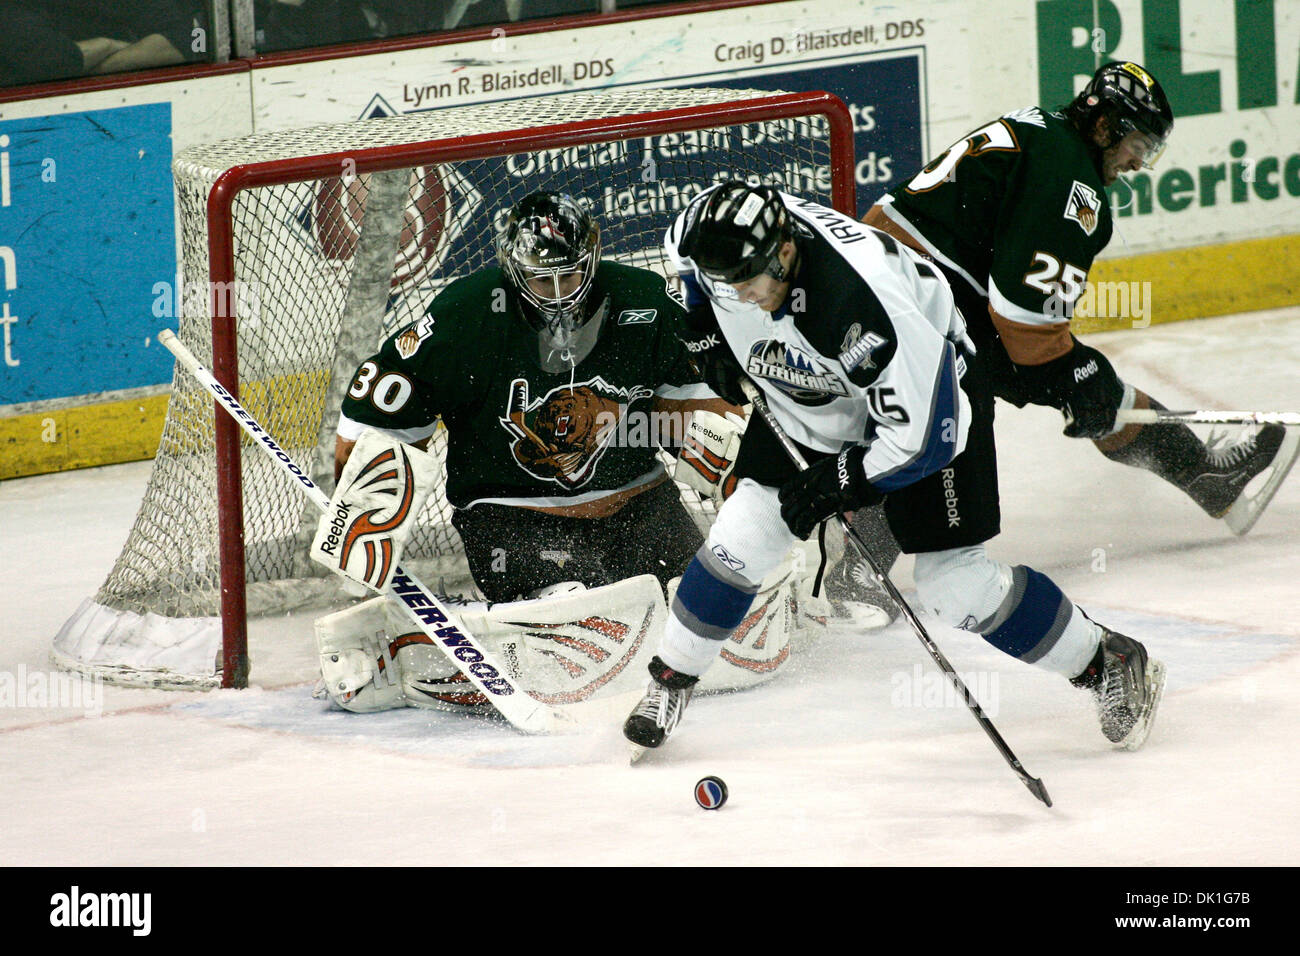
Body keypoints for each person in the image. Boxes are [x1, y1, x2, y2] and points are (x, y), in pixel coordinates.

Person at [622, 181, 1165, 752]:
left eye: (751, 281)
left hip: (934, 400)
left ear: (784, 251)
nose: (744, 294)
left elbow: (926, 438)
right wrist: (707, 334)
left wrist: (838, 483)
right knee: (745, 531)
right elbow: (683, 263)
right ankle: (671, 680)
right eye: (729, 284)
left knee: (954, 586)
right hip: (809, 393)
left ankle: (1107, 661)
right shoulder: (705, 233)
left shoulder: (861, 303)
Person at [861, 60, 1296, 540]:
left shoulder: (1041, 128)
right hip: (923, 303)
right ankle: (860, 567)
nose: (1137, 164)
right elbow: (1026, 326)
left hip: (886, 278)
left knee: (1082, 384)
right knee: (948, 422)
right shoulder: (1072, 181)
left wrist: (1077, 381)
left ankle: (1205, 477)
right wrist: (1075, 377)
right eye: (1138, 146)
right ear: (1106, 125)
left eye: (1148, 151)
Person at [334, 190, 733, 603]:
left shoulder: (645, 300)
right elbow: (382, 406)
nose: (560, 294)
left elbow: (706, 411)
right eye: (543, 280)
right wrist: (365, 516)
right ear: (513, 268)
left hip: (637, 507)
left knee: (706, 597)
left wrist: (742, 489)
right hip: (514, 518)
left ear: (593, 259)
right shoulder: (466, 314)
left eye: (571, 275)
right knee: (579, 603)